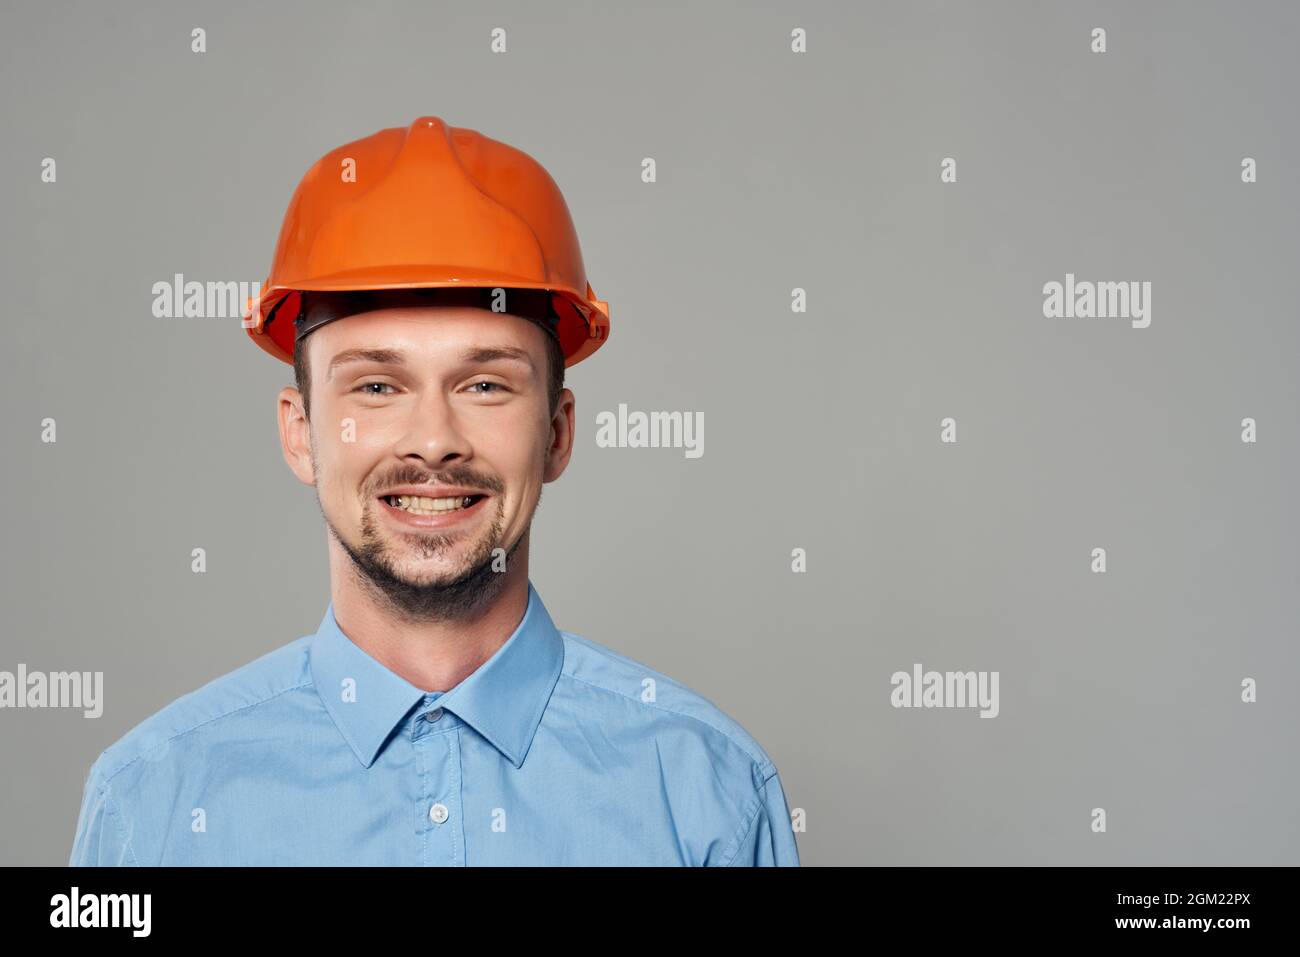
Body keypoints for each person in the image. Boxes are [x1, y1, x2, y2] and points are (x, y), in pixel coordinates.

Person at [69, 117, 799, 866]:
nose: (432, 439)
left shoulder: (710, 795)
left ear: (556, 432)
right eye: (377, 385)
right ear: (300, 432)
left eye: (485, 383)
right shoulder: (149, 806)